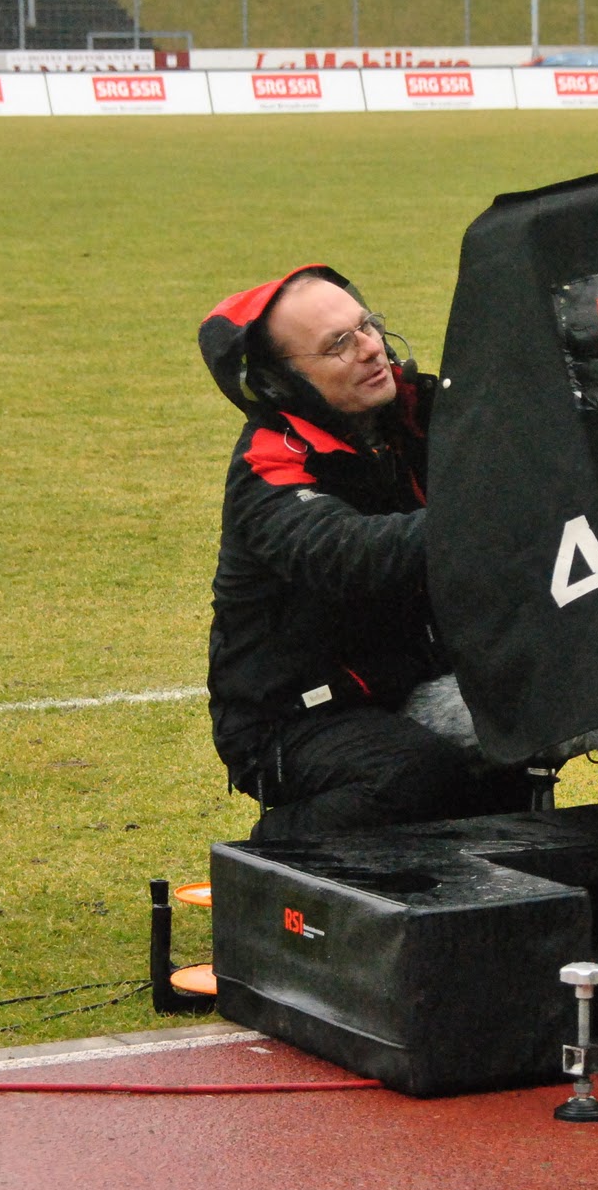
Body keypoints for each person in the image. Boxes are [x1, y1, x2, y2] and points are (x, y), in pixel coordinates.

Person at [198, 265, 534, 842]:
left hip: (405, 678)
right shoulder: (268, 465)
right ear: (281, 383)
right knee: (413, 772)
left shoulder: (417, 411)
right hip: (291, 719)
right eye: (338, 345)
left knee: (557, 714)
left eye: (367, 326)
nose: (372, 349)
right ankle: (272, 858)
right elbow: (350, 555)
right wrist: (494, 522)